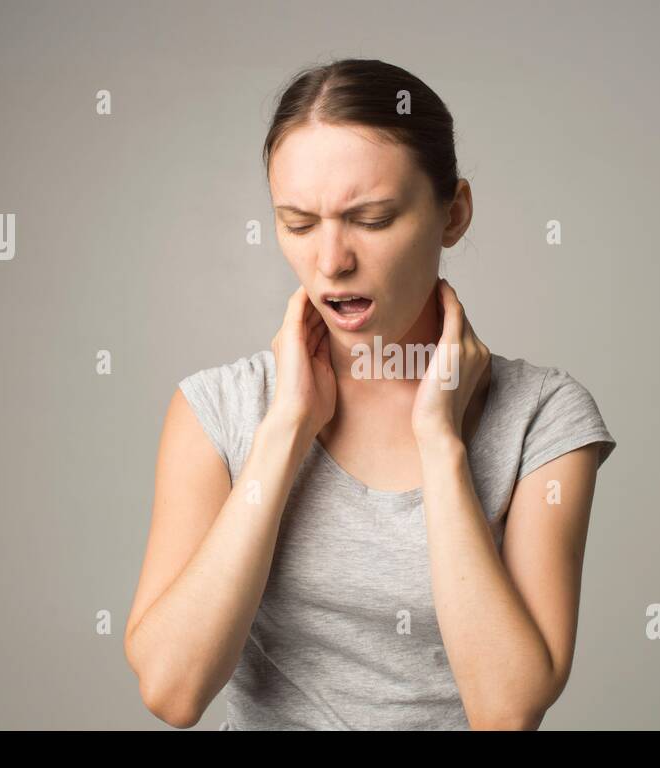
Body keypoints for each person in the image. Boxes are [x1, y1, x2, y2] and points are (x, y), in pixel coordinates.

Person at [124, 58, 616, 730]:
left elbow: (507, 709)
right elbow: (171, 689)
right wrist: (283, 432)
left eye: (373, 218)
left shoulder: (544, 418)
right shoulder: (218, 409)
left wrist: (441, 443)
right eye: (298, 223)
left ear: (454, 213)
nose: (332, 261)